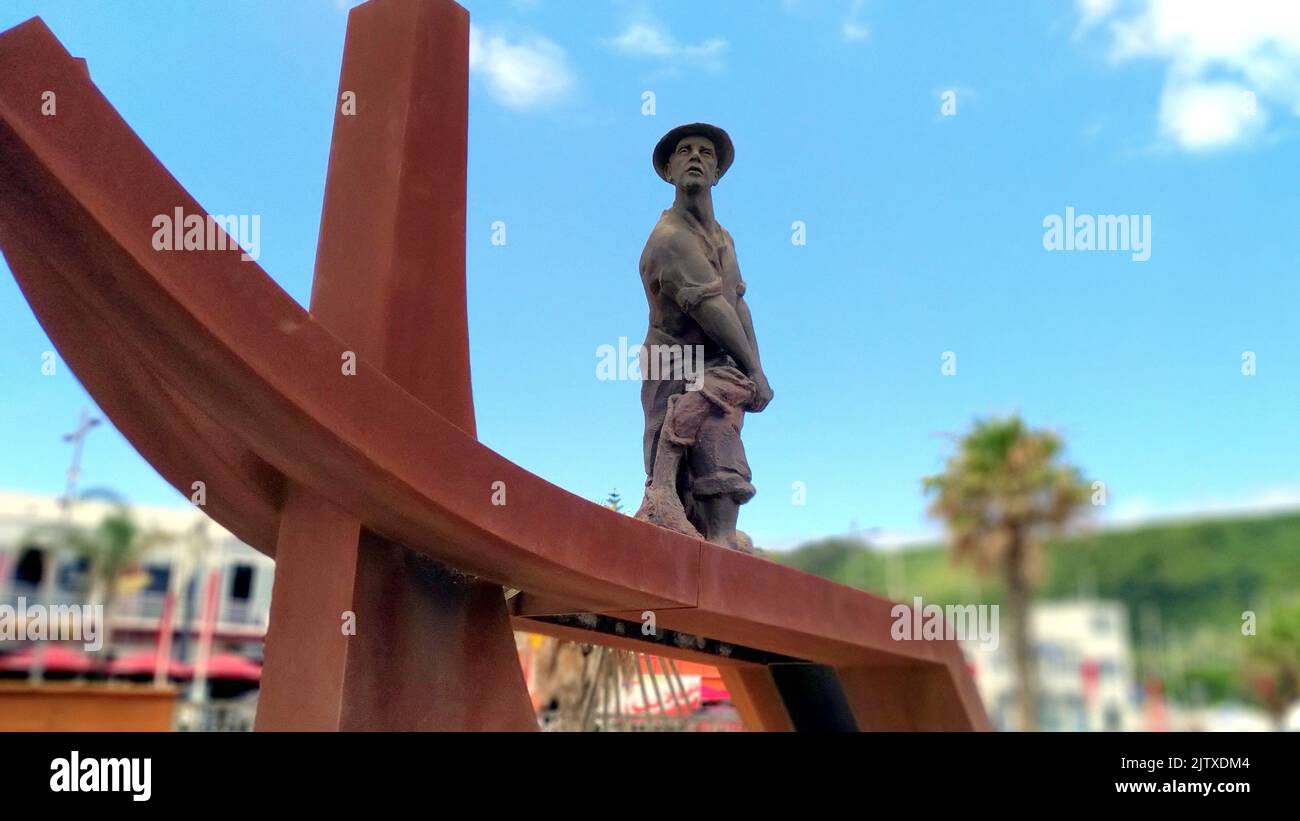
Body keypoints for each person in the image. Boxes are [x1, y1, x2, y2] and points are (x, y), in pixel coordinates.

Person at [634, 123, 773, 553]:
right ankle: (708, 536)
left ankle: (715, 534)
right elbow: (711, 308)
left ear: (716, 173)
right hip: (672, 362)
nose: (695, 156)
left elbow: (736, 303)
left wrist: (757, 369)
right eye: (684, 151)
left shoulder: (723, 239)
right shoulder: (669, 239)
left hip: (717, 358)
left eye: (706, 152)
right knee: (682, 439)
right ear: (669, 171)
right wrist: (751, 370)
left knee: (718, 424)